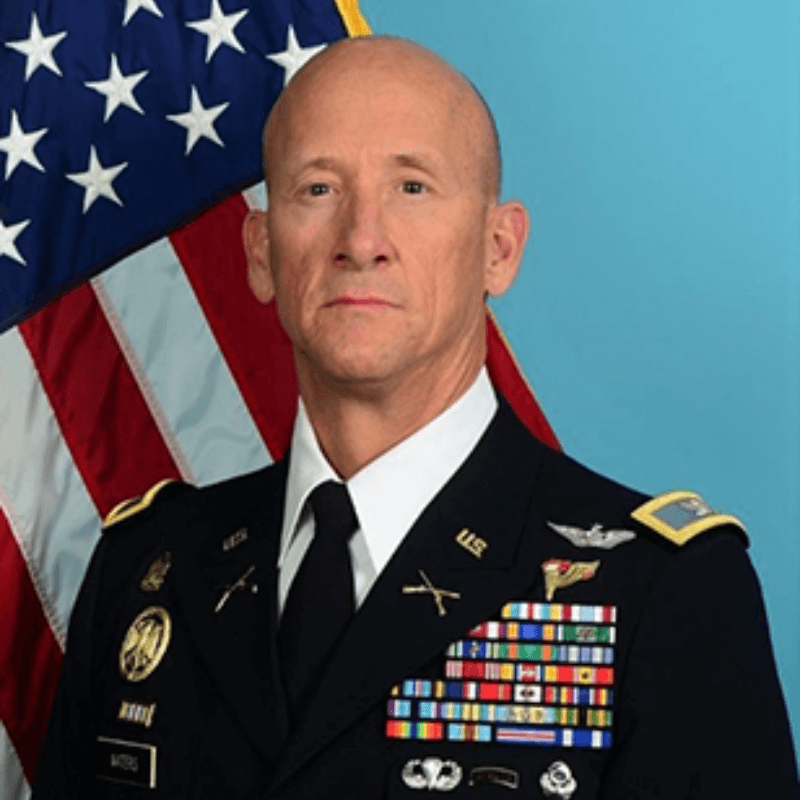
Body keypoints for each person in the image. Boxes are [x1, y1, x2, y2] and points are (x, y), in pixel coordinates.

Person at [33, 35, 798, 798]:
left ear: (499, 248)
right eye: (318, 189)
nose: (361, 241)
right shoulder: (148, 570)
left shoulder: (662, 594)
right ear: (261, 253)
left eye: (412, 187)